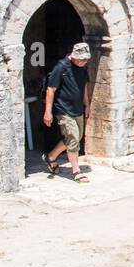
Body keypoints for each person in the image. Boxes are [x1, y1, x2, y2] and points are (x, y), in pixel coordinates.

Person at [43, 42, 92, 182]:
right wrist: (48, 112)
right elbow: (50, 89)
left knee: (74, 137)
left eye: (86, 59)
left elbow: (83, 87)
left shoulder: (82, 68)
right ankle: (76, 171)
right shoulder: (61, 67)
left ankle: (51, 157)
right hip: (63, 109)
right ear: (75, 57)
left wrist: (87, 105)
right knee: (72, 138)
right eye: (83, 59)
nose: (85, 61)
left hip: (77, 109)